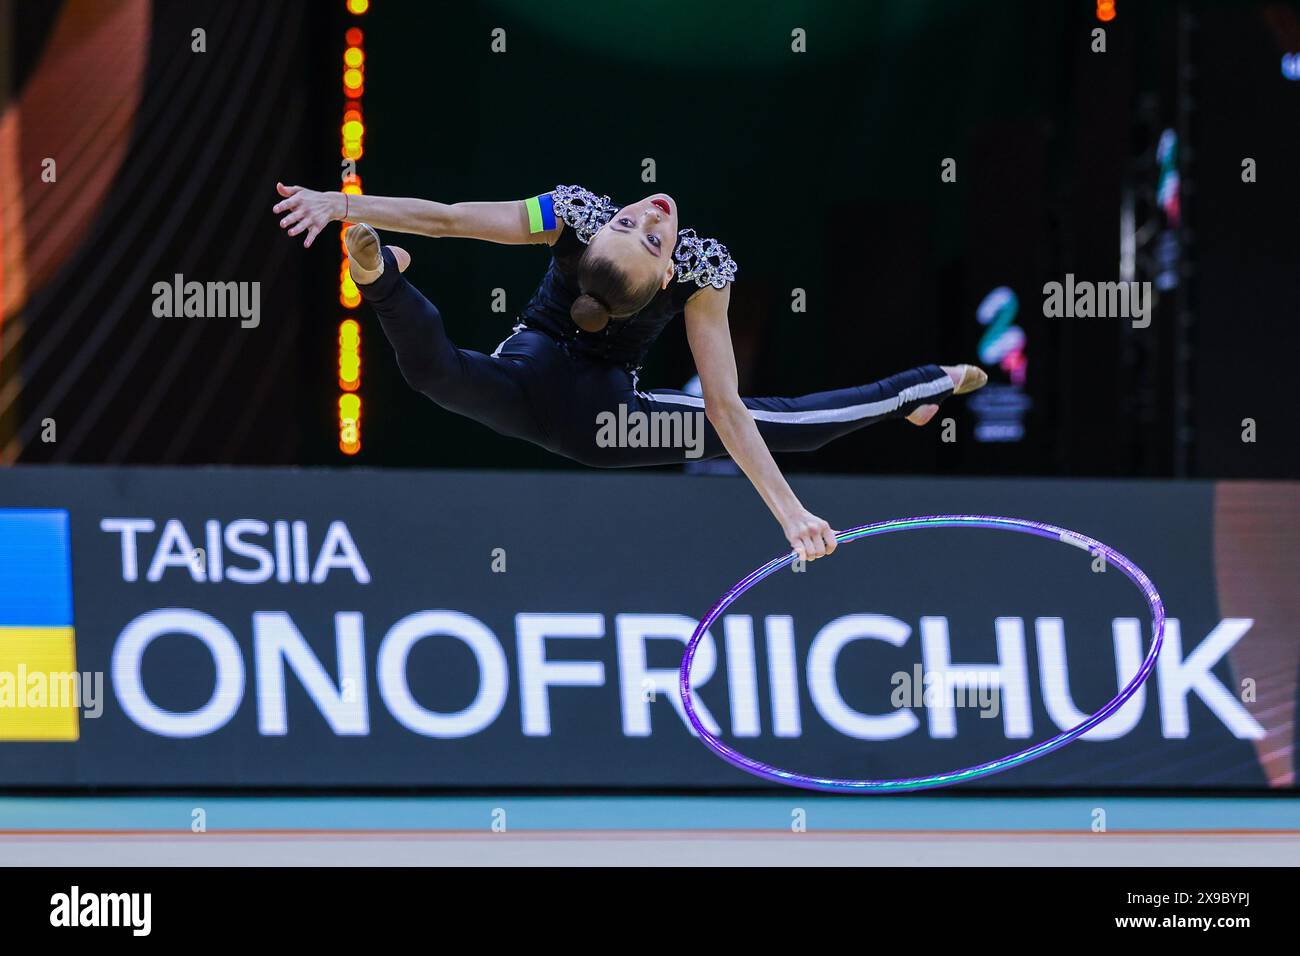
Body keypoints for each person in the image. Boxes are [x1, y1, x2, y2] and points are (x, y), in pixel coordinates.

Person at [273, 182, 986, 562]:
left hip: (603, 421)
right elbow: (456, 219)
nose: (648, 213)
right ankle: (381, 277)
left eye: (644, 230)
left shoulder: (698, 273)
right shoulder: (578, 217)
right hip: (535, 385)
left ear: (670, 270)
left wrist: (789, 512)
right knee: (435, 375)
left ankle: (918, 389)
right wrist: (341, 206)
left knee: (785, 426)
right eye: (636, 227)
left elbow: (727, 409)